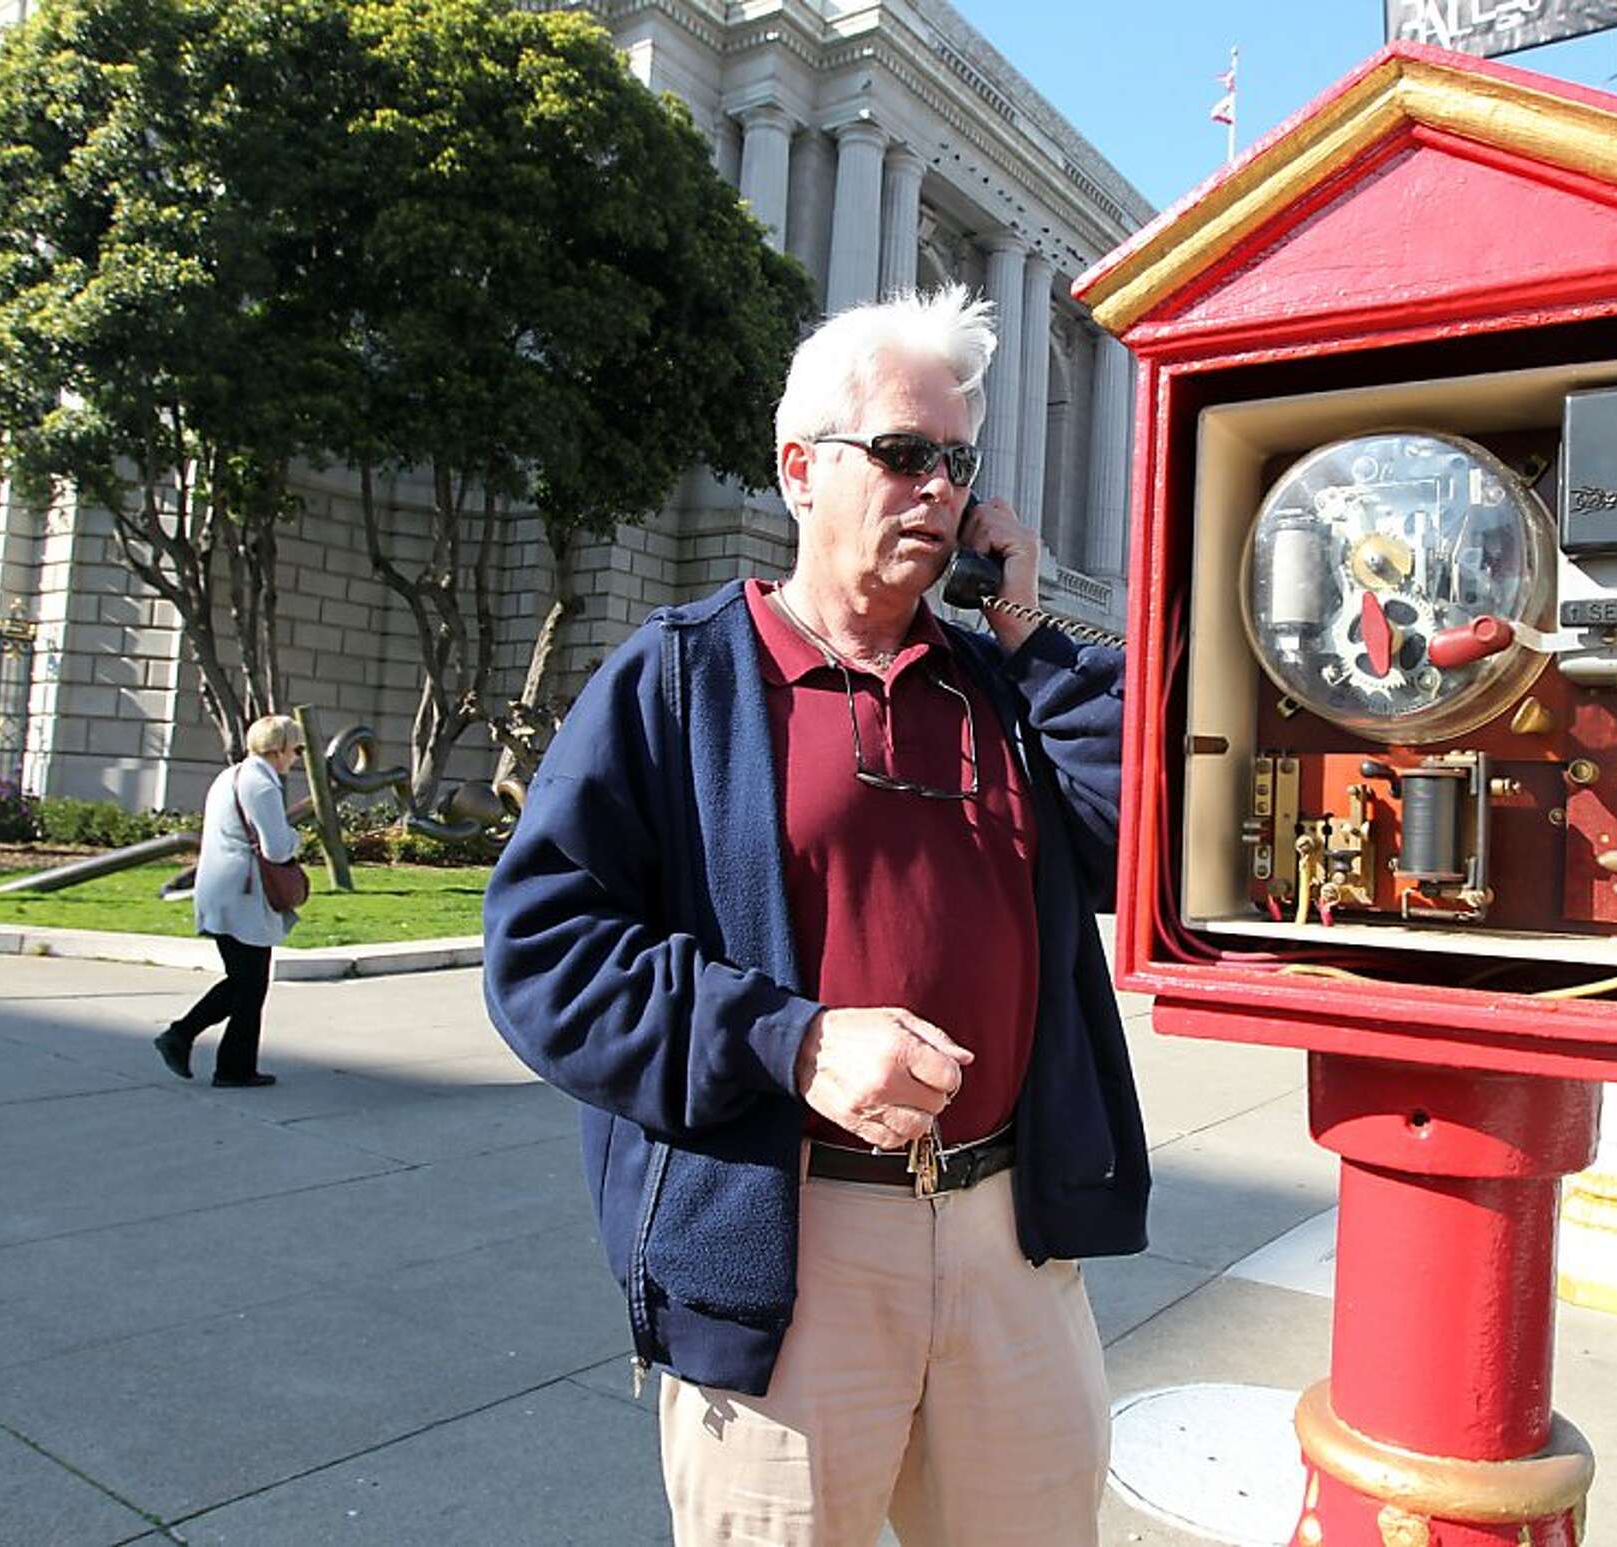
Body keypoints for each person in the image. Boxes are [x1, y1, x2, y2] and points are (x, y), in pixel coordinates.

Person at [483, 284, 1148, 1547]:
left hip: (1011, 1238)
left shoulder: (994, 686)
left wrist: (1023, 626)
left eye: (957, 462)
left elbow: (1138, 837)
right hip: (794, 1246)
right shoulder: (683, 675)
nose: (939, 489)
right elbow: (545, 951)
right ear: (800, 468)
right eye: (904, 454)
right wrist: (789, 1039)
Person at [155, 712, 304, 1088]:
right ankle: (194, 1044)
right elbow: (276, 848)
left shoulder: (231, 776)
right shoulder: (264, 785)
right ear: (280, 749)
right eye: (296, 748)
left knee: (244, 983)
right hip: (245, 895)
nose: (298, 756)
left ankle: (218, 1057)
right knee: (249, 986)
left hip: (222, 889)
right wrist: (296, 838)